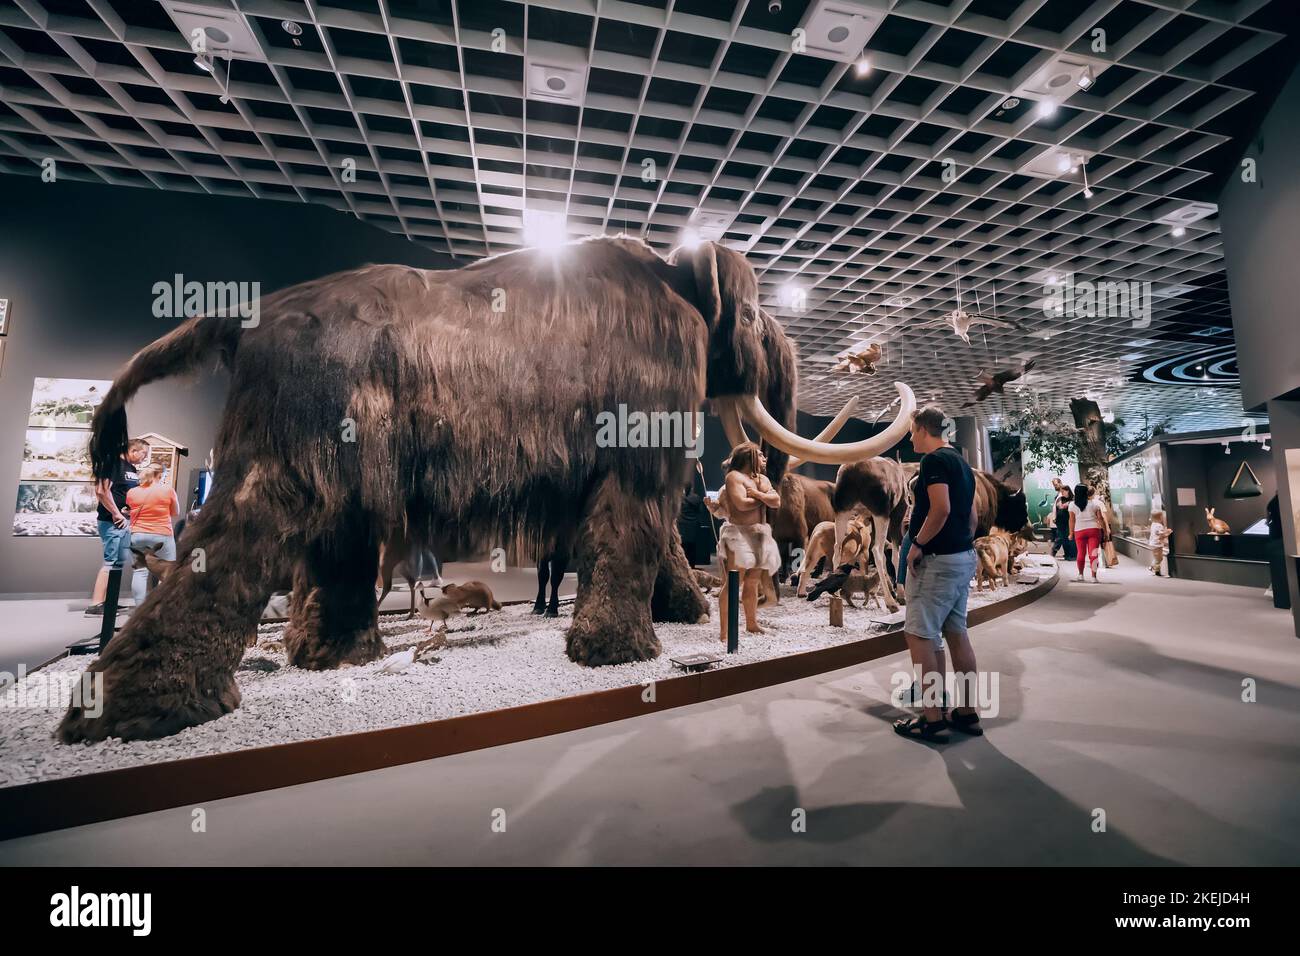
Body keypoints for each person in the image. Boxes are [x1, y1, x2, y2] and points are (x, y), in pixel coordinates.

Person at [894, 406, 980, 743]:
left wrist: (917, 543)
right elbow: (970, 516)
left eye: (912, 430)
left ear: (924, 429)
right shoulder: (960, 462)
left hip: (936, 561)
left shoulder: (933, 462)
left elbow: (941, 508)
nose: (910, 436)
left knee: (919, 636)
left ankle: (932, 719)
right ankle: (967, 713)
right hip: (962, 556)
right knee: (957, 634)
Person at [715, 441, 781, 640]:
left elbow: (776, 501)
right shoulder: (733, 477)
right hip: (738, 534)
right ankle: (725, 632)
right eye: (760, 455)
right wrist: (764, 497)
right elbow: (741, 505)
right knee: (734, 582)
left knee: (752, 582)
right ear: (750, 456)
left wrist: (758, 494)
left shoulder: (761, 479)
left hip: (759, 535)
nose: (764, 458)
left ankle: (751, 624)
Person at [86, 438, 150, 616]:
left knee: (118, 563)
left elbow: (125, 493)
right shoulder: (112, 464)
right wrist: (116, 513)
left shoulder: (131, 469)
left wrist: (128, 510)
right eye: (144, 454)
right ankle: (95, 604)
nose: (145, 458)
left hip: (125, 522)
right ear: (134, 451)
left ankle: (109, 601)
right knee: (110, 562)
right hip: (111, 522)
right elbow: (101, 491)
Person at [126, 463, 180, 606]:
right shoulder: (168, 490)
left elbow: (130, 509)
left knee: (139, 572)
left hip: (137, 534)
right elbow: (175, 512)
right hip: (161, 535)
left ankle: (139, 609)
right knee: (166, 573)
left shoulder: (132, 492)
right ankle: (162, 608)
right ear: (160, 475)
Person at [1068, 482, 1110, 582]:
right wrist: (1105, 532)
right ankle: (1093, 577)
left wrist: (1071, 533)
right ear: (1087, 493)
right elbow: (1101, 519)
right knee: (1093, 554)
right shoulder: (1095, 504)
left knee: (1081, 553)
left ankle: (1080, 575)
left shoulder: (1072, 505)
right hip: (1094, 530)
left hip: (1079, 531)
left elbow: (1071, 520)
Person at [1051, 485, 1075, 561]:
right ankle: (1065, 554)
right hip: (1060, 521)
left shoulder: (1073, 499)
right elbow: (1055, 508)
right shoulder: (1060, 498)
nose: (1062, 493)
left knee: (1069, 538)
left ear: (1068, 490)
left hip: (1069, 521)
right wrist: (1054, 518)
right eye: (1061, 492)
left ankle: (1071, 555)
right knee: (1062, 537)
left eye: (1063, 491)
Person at [1147, 509, 1172, 576]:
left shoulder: (1153, 524)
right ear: (1160, 517)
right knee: (1159, 558)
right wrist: (1168, 532)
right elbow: (1161, 535)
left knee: (1156, 557)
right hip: (1157, 544)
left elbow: (1157, 533)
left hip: (1153, 544)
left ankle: (1155, 569)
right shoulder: (1159, 526)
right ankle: (1153, 568)